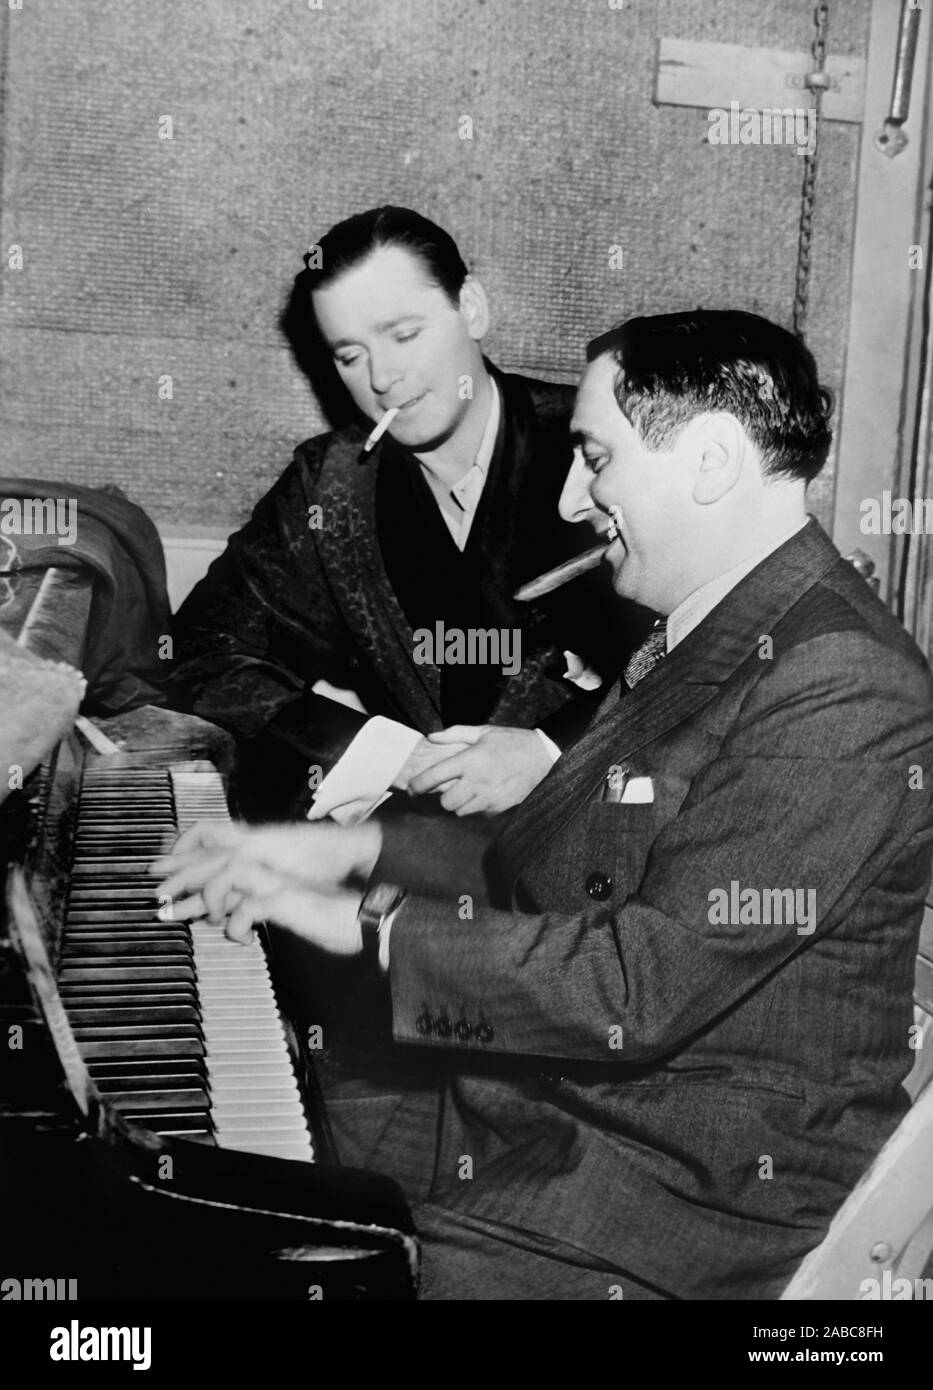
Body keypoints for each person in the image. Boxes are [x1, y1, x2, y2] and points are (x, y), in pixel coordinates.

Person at [156, 309, 933, 1300]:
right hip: (555, 1122)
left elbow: (631, 987)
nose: (574, 498)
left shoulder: (843, 682)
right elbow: (552, 861)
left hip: (668, 1202)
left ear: (707, 461)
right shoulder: (716, 626)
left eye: (596, 458)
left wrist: (359, 920)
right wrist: (332, 856)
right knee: (221, 1201)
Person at [168, 206, 639, 823]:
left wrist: (554, 748)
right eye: (349, 356)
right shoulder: (329, 486)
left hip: (597, 830)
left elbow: (704, 644)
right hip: (423, 846)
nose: (383, 378)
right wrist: (387, 754)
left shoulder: (601, 446)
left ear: (471, 308)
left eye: (404, 335)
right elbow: (201, 649)